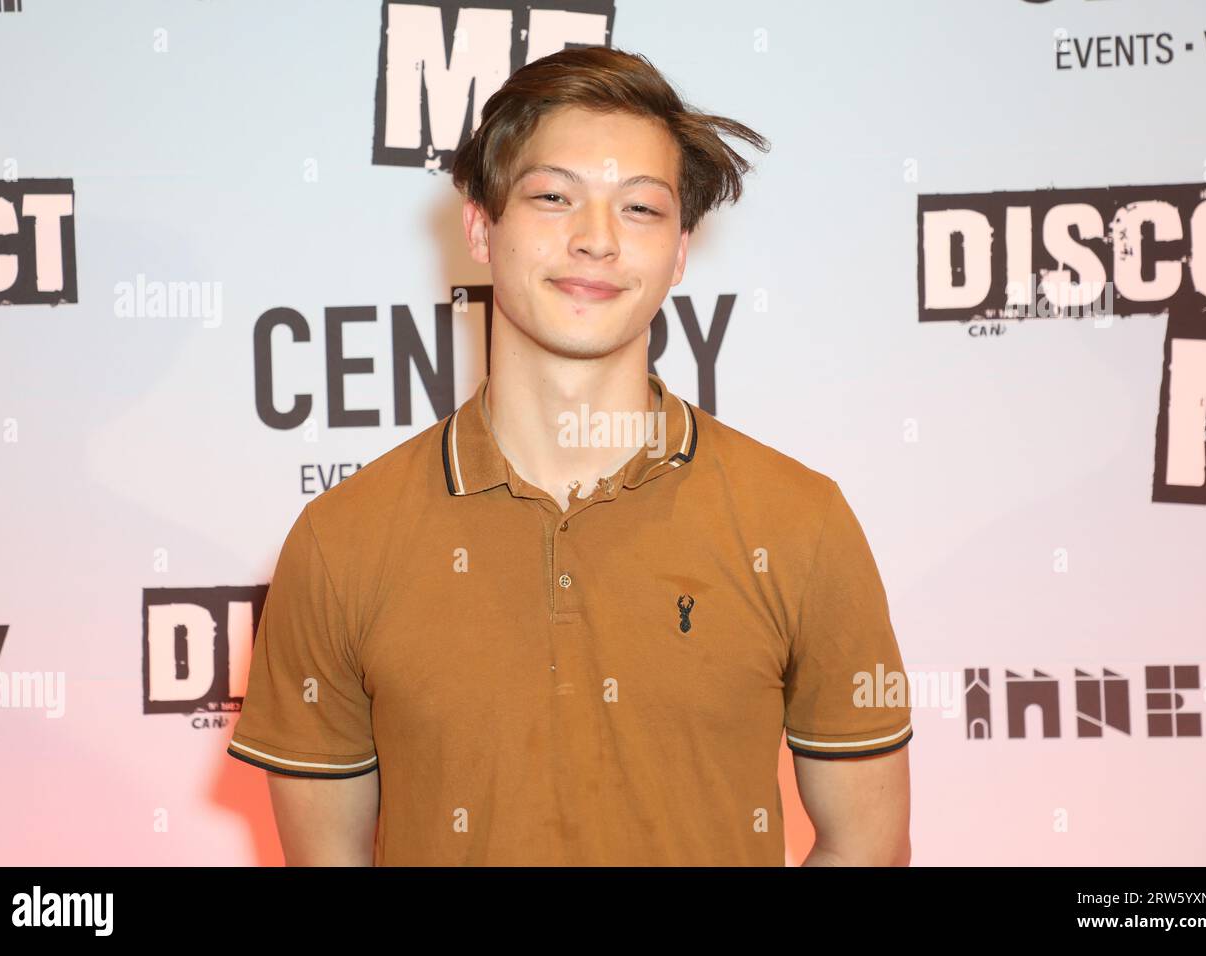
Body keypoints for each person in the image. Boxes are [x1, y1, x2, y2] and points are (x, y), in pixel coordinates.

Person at [226, 45, 912, 866]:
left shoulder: (799, 522)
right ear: (481, 226)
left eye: (640, 209)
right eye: (554, 197)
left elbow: (868, 845)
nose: (596, 241)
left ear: (681, 250)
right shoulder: (343, 542)